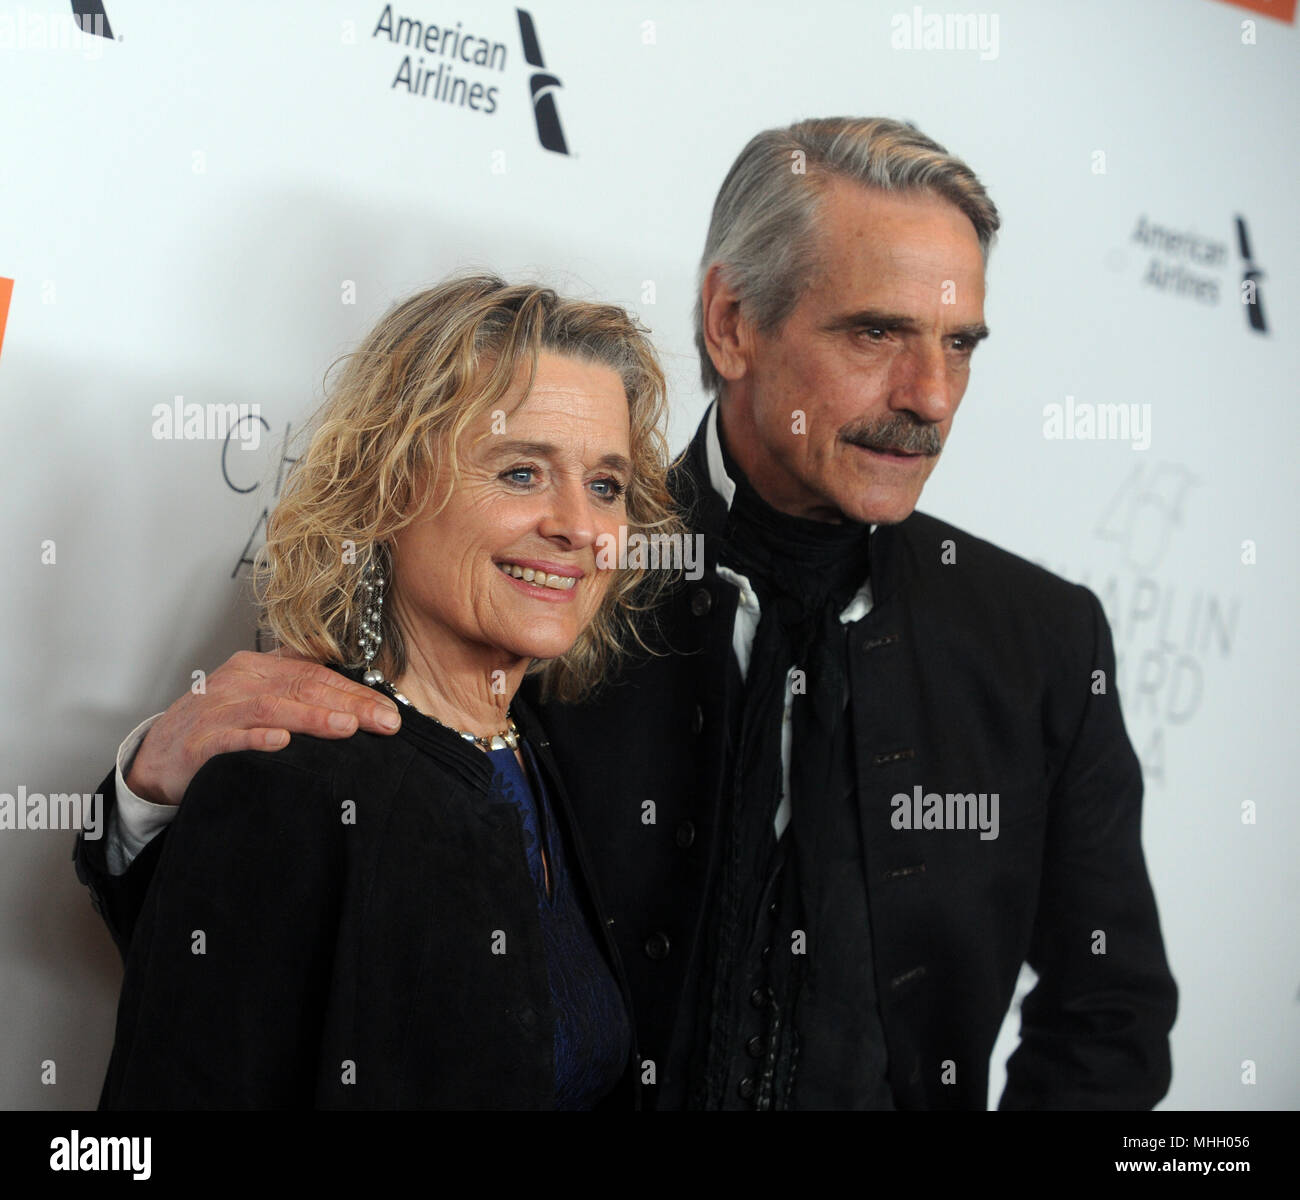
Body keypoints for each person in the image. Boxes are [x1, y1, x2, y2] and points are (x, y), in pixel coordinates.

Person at [78, 117, 1178, 1110]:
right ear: (733, 323)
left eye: (959, 346)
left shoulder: (1041, 643)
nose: (929, 398)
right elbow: (271, 965)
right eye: (876, 334)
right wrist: (146, 790)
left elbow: (1110, 1013)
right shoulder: (546, 587)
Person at [90, 274, 682, 1109]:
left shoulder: (546, 750)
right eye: (521, 473)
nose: (580, 527)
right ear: (390, 484)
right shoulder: (293, 776)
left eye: (607, 486)